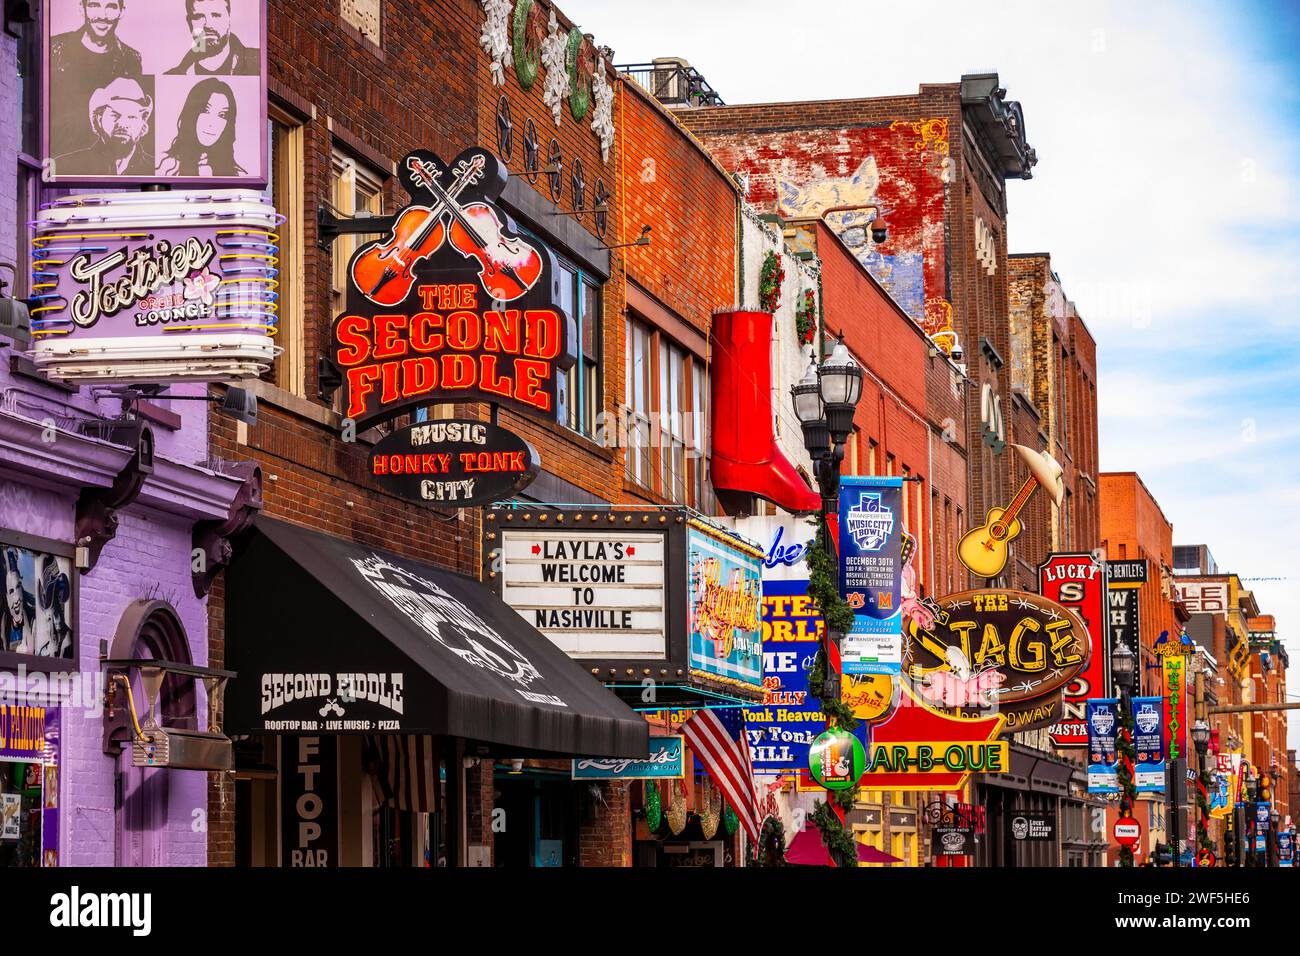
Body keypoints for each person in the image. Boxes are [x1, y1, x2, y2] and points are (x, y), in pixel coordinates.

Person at [49, 0, 143, 157]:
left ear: (122, 11)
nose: (103, 15)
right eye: (94, 5)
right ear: (82, 8)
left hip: (107, 159)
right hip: (60, 157)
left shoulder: (131, 59)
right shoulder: (54, 48)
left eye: (111, 7)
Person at [54, 77, 155, 177]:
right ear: (99, 119)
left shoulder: (156, 169)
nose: (123, 124)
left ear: (143, 122)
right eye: (115, 115)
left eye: (132, 117)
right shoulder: (62, 166)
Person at [156, 77, 246, 177]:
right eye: (205, 111)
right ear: (192, 114)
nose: (212, 123)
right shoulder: (166, 168)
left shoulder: (238, 175)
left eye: (222, 115)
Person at [167, 0, 260, 75]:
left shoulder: (259, 63)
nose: (208, 25)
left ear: (229, 18)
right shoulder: (172, 77)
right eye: (198, 17)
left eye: (216, 15)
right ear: (189, 22)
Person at [35, 554, 73, 659]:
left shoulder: (71, 642)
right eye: (49, 619)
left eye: (56, 614)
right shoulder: (44, 651)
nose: (53, 625)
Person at [3, 548, 35, 654]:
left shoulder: (34, 621)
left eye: (18, 587)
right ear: (6, 597)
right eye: (11, 591)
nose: (16, 599)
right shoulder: (5, 626)